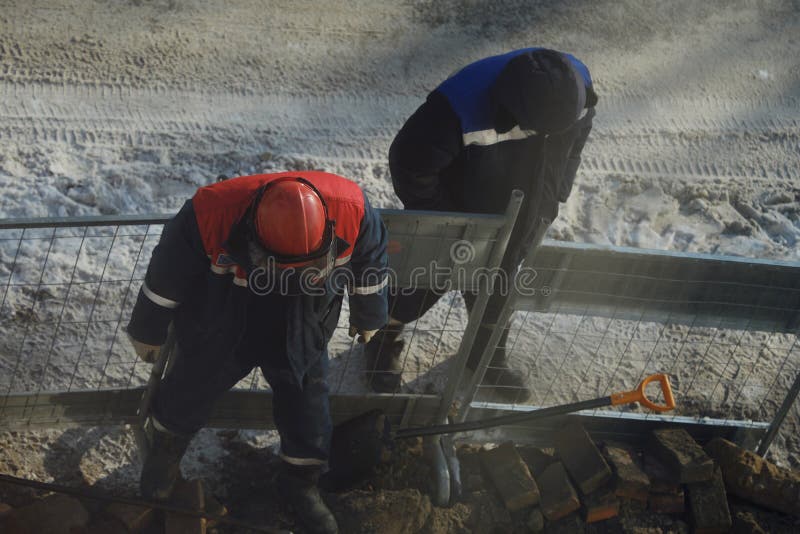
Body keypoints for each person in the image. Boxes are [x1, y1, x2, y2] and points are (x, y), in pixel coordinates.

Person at [127, 171, 388, 534]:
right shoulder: (210, 213)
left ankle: (299, 484)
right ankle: (164, 459)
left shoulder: (352, 209)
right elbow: (167, 272)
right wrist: (147, 328)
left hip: (303, 315)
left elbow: (371, 259)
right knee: (190, 385)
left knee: (307, 401)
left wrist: (370, 312)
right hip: (227, 311)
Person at [366, 48, 597, 401]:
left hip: (520, 212)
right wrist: (447, 221)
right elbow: (409, 164)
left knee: (498, 290)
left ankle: (486, 358)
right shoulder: (457, 107)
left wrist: (555, 196)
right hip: (459, 208)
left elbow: (573, 148)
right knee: (425, 279)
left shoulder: (575, 90)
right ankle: (384, 335)